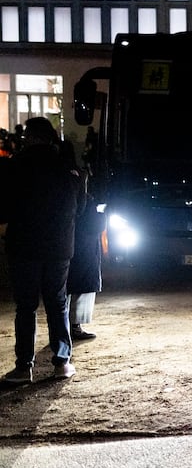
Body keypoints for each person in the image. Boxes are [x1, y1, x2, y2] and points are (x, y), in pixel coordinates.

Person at [1, 117, 85, 384]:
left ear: (29, 137)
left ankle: (24, 366)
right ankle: (62, 362)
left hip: (24, 245)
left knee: (26, 306)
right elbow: (80, 207)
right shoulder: (67, 168)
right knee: (57, 303)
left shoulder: (15, 167)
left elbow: (3, 207)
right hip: (60, 245)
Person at [61, 141, 106, 341]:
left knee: (63, 287)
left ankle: (65, 328)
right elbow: (91, 218)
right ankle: (75, 326)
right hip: (82, 242)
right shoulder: (78, 176)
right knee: (81, 284)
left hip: (61, 239)